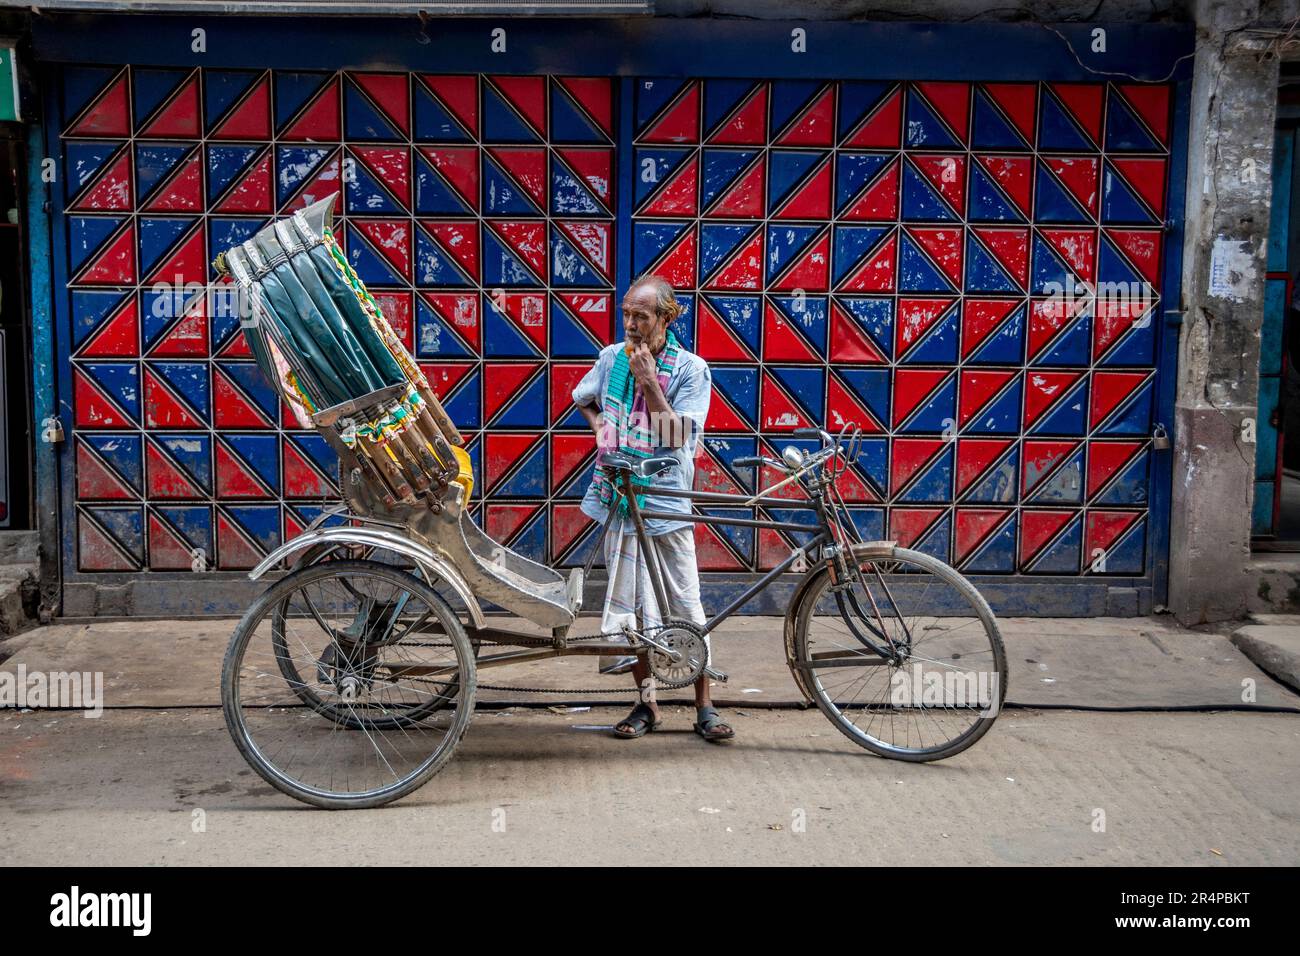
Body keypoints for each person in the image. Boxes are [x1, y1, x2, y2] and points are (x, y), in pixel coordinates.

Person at [571, 274, 734, 742]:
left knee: (685, 603)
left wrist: (649, 384)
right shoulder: (610, 359)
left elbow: (678, 436)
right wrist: (605, 435)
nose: (631, 324)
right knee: (636, 611)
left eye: (641, 315)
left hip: (666, 504)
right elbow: (584, 399)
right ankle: (646, 705)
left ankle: (705, 705)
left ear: (666, 317)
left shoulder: (690, 369)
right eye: (626, 314)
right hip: (623, 503)